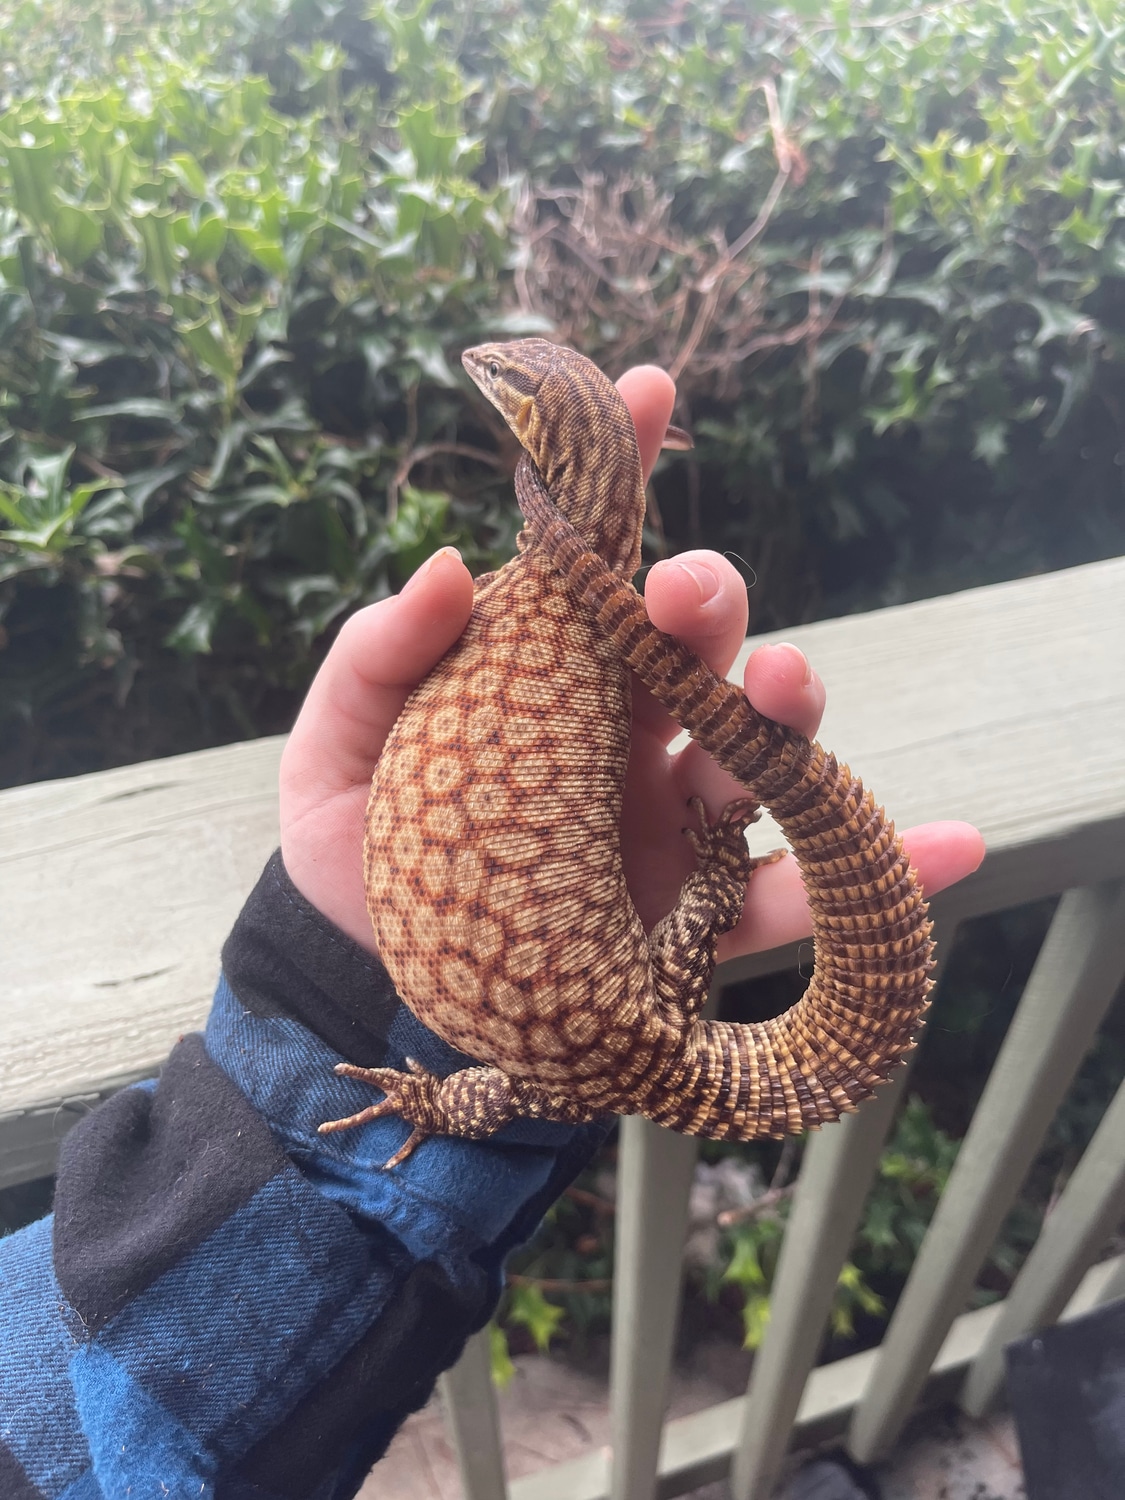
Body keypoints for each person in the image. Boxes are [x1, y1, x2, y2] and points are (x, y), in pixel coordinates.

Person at [0, 366, 984, 1500]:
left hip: (550, 1045)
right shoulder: (557, 608)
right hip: (553, 1044)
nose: (491, 376)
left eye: (512, 386)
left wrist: (382, 1087)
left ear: (535, 439)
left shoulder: (541, 608)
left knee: (538, 1044)